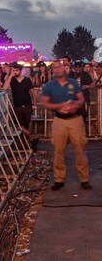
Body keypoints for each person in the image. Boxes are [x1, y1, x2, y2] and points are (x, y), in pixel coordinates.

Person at [42, 61, 89, 189]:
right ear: (52, 70)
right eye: (54, 68)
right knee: (58, 150)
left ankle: (84, 179)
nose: (57, 70)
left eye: (59, 67)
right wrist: (58, 107)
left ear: (64, 68)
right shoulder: (49, 86)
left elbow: (81, 99)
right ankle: (59, 179)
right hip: (59, 120)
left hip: (75, 119)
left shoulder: (73, 83)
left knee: (80, 149)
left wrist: (74, 105)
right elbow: (45, 103)